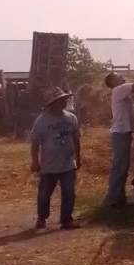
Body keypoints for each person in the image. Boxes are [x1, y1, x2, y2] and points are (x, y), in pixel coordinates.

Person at [29, 87, 81, 230]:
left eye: (63, 100)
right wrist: (35, 161)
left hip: (68, 163)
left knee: (69, 191)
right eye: (59, 101)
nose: (63, 103)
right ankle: (42, 218)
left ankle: (66, 220)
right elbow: (35, 142)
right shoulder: (42, 121)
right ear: (52, 104)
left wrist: (78, 157)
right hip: (49, 164)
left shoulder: (71, 118)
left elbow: (76, 139)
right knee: (45, 193)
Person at [102, 70, 134, 207]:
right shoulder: (119, 89)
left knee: (122, 166)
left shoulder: (122, 91)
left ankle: (119, 198)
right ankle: (112, 199)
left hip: (123, 132)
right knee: (119, 166)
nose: (122, 77)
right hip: (121, 132)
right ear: (113, 82)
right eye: (118, 76)